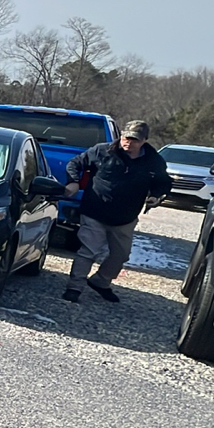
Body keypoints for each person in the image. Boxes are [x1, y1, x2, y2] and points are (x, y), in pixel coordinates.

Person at [62, 120, 172, 303]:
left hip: (125, 217)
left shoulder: (154, 160)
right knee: (88, 251)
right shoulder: (102, 151)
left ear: (144, 141)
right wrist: (73, 181)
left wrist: (156, 195)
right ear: (121, 136)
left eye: (135, 140)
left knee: (121, 255)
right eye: (126, 138)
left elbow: (164, 182)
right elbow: (75, 163)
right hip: (94, 211)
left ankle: (100, 282)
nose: (129, 142)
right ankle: (74, 287)